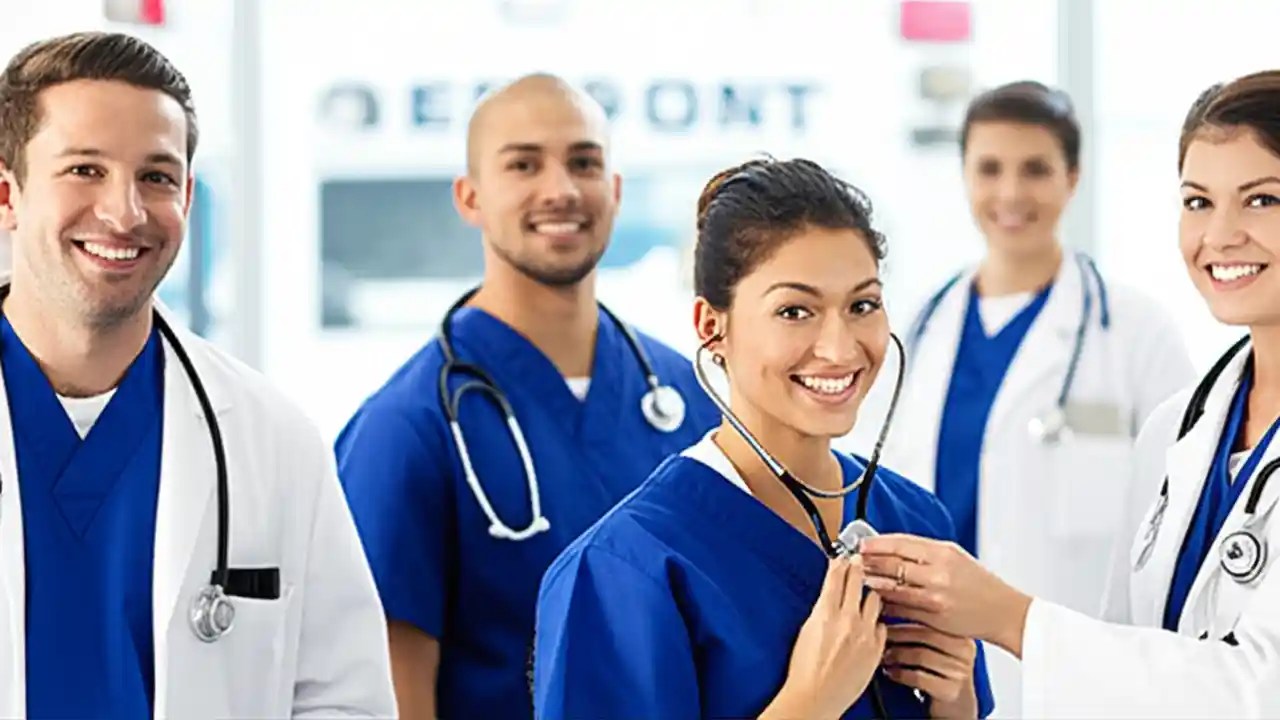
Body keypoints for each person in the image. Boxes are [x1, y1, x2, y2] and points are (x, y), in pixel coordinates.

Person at [857, 70, 1280, 719]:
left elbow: (1259, 686)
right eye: (1198, 201)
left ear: (1073, 178)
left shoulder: (1135, 333)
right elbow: (1137, 627)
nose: (1220, 233)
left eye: (1262, 200)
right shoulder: (1184, 426)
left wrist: (1011, 619)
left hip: (1039, 658)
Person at [0, 32, 395, 718]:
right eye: (85, 170)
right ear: (7, 195)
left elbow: (345, 700)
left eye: (156, 176)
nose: (124, 212)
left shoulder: (274, 441)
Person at [533, 157, 995, 719]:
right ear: (711, 327)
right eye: (794, 310)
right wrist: (809, 702)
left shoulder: (917, 523)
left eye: (862, 305)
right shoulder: (624, 569)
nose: (841, 348)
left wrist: (958, 708)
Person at [335, 73, 720, 719]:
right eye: (523, 164)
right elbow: (389, 689)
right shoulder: (409, 427)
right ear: (470, 197)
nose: (561, 189)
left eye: (584, 162)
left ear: (615, 190)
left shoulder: (689, 394)